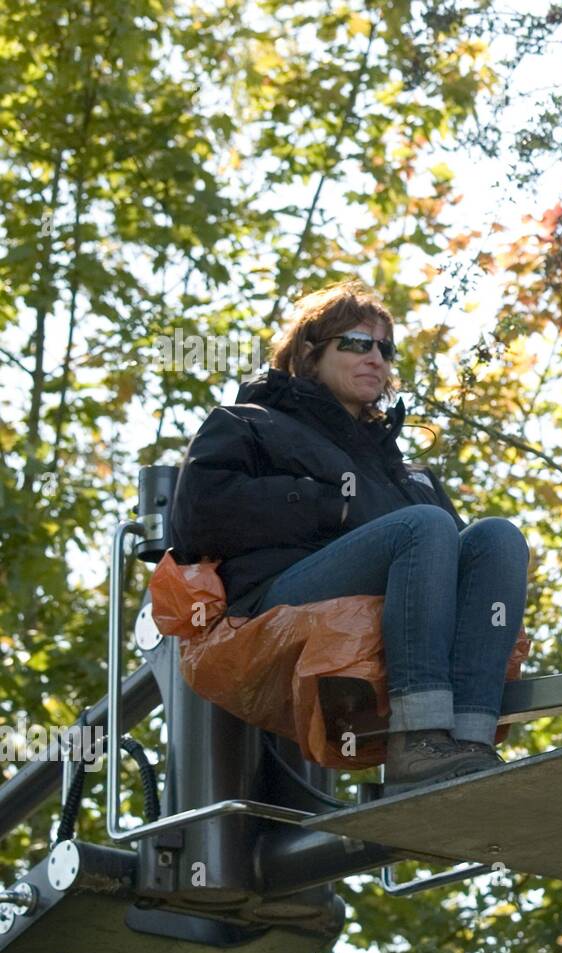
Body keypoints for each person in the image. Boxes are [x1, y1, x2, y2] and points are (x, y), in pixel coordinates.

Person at [169, 280, 529, 790]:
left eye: (385, 348)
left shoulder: (404, 471)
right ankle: (418, 741)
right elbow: (198, 518)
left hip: (391, 612)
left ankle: (468, 743)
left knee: (497, 538)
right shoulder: (250, 423)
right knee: (424, 526)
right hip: (271, 602)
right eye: (357, 343)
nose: (375, 359)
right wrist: (326, 505)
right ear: (309, 354)